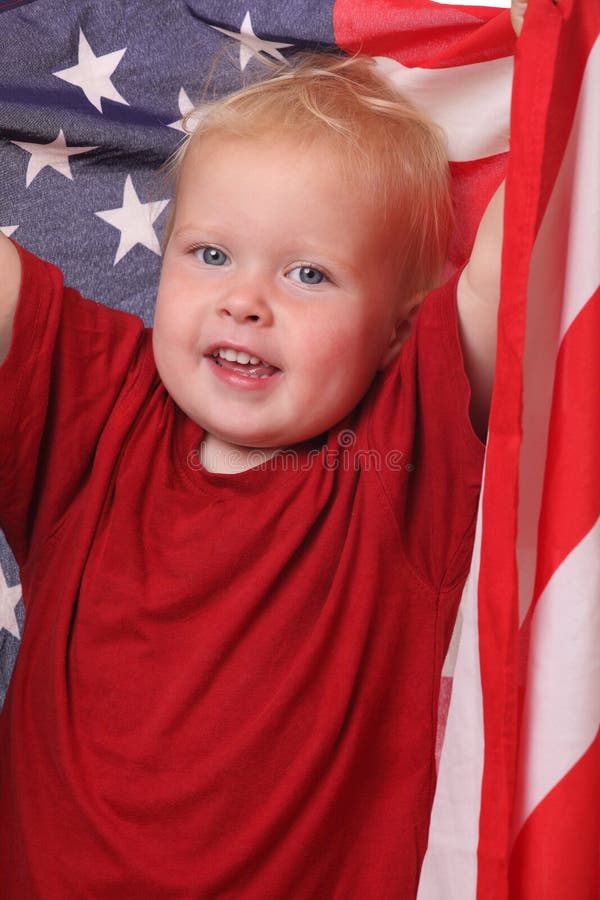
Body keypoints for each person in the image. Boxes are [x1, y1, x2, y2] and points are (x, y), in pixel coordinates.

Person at [0, 39, 510, 900]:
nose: (246, 300)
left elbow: (522, 258)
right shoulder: (95, 412)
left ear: (393, 332)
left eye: (309, 273)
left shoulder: (399, 453)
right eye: (209, 254)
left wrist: (571, 50)